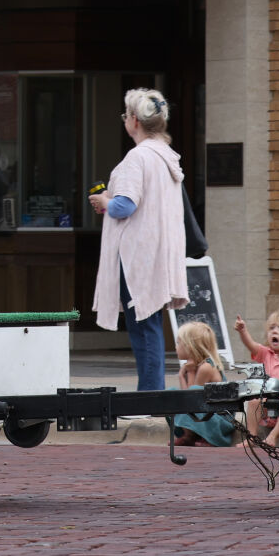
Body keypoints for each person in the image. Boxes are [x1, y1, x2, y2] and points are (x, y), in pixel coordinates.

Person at [90, 88, 188, 392]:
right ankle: (152, 392)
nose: (124, 120)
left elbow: (125, 205)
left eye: (125, 115)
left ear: (134, 119)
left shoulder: (138, 157)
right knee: (151, 325)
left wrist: (104, 200)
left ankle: (148, 395)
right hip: (160, 252)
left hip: (136, 256)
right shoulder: (167, 156)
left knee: (142, 328)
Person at [234, 309, 279, 445]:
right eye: (271, 328)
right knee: (254, 400)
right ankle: (252, 437)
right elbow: (251, 346)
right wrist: (243, 331)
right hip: (268, 407)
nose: (274, 331)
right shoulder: (266, 354)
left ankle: (272, 437)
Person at [169, 321, 236, 447]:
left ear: (190, 346)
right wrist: (182, 375)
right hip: (204, 414)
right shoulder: (193, 366)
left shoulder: (206, 367)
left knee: (193, 392)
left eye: (179, 343)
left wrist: (189, 372)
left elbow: (192, 397)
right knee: (171, 394)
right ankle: (189, 436)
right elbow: (185, 397)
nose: (176, 347)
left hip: (220, 420)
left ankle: (206, 437)